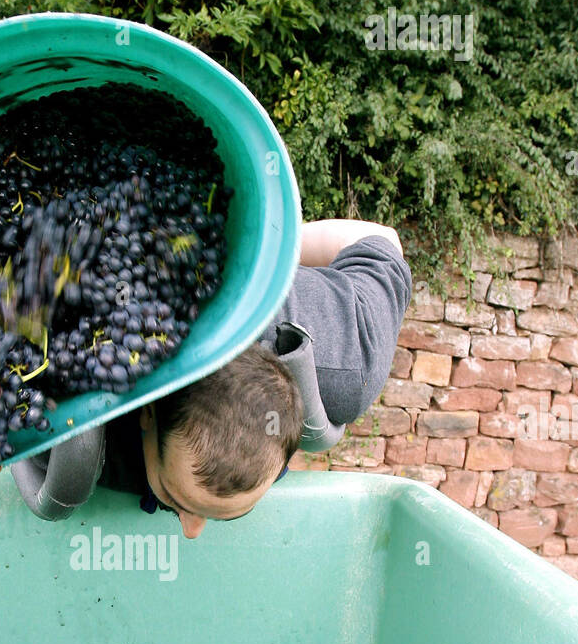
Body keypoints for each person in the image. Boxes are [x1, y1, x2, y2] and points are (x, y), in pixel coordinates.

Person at [97, 218, 412, 538]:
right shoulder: (93, 351)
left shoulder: (344, 361)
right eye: (173, 495)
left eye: (233, 516)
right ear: (148, 413)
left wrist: (264, 251)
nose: (192, 533)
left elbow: (380, 240)